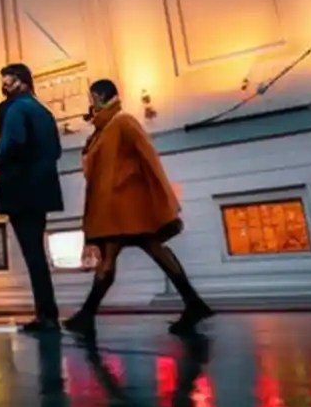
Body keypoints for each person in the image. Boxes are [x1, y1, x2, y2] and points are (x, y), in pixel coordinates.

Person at [64, 79, 213, 336]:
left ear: (100, 97)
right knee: (150, 250)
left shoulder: (122, 122)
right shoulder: (106, 127)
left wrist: (159, 195)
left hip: (125, 205)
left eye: (92, 97)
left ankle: (87, 316)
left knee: (113, 256)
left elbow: (148, 157)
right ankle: (193, 303)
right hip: (119, 206)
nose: (90, 103)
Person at [0, 63, 64, 333]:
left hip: (20, 188)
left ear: (21, 81)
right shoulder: (43, 111)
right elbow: (55, 150)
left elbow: (11, 143)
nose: (4, 86)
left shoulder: (16, 108)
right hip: (42, 188)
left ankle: (46, 314)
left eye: (7, 81)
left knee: (32, 253)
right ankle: (47, 312)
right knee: (37, 253)